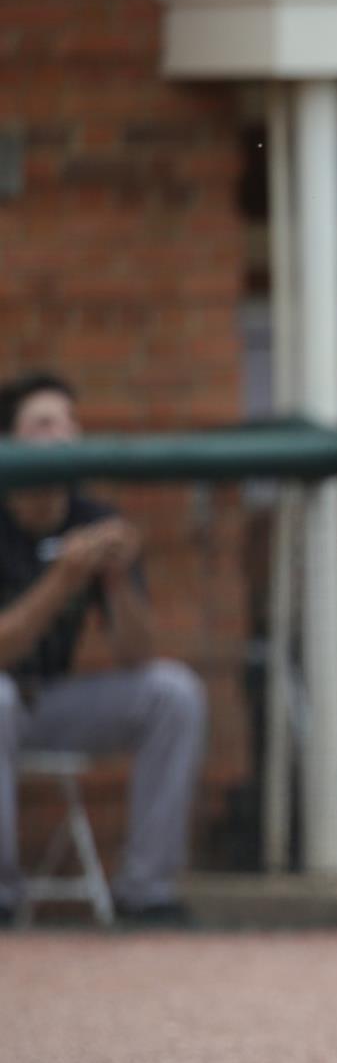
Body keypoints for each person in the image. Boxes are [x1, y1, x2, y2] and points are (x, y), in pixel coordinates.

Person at [0, 373, 208, 926]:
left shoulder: (93, 517)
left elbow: (135, 654)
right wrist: (62, 581)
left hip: (53, 703)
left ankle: (148, 890)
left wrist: (117, 581)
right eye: (43, 424)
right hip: (3, 699)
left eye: (70, 422)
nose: (62, 434)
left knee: (174, 692)